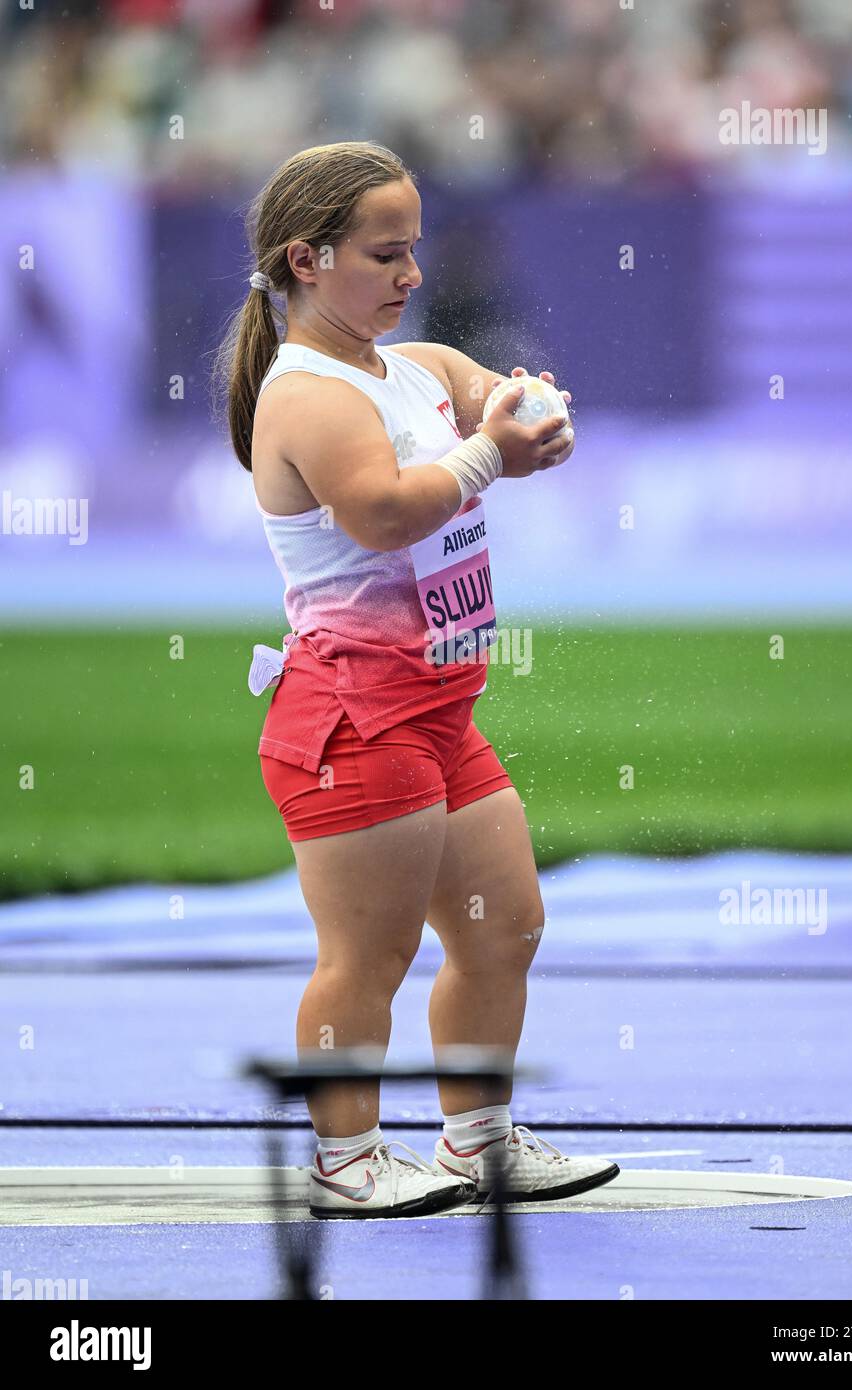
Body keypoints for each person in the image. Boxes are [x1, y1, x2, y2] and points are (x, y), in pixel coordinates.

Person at [214, 140, 619, 1218]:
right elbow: (383, 510)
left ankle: (475, 1139)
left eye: (414, 252)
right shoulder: (304, 395)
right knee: (370, 954)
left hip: (437, 711)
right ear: (306, 260)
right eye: (385, 255)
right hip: (352, 718)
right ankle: (345, 1161)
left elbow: (495, 393)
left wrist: (534, 408)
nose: (411, 275)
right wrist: (492, 454)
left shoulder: (415, 367)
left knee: (505, 926)